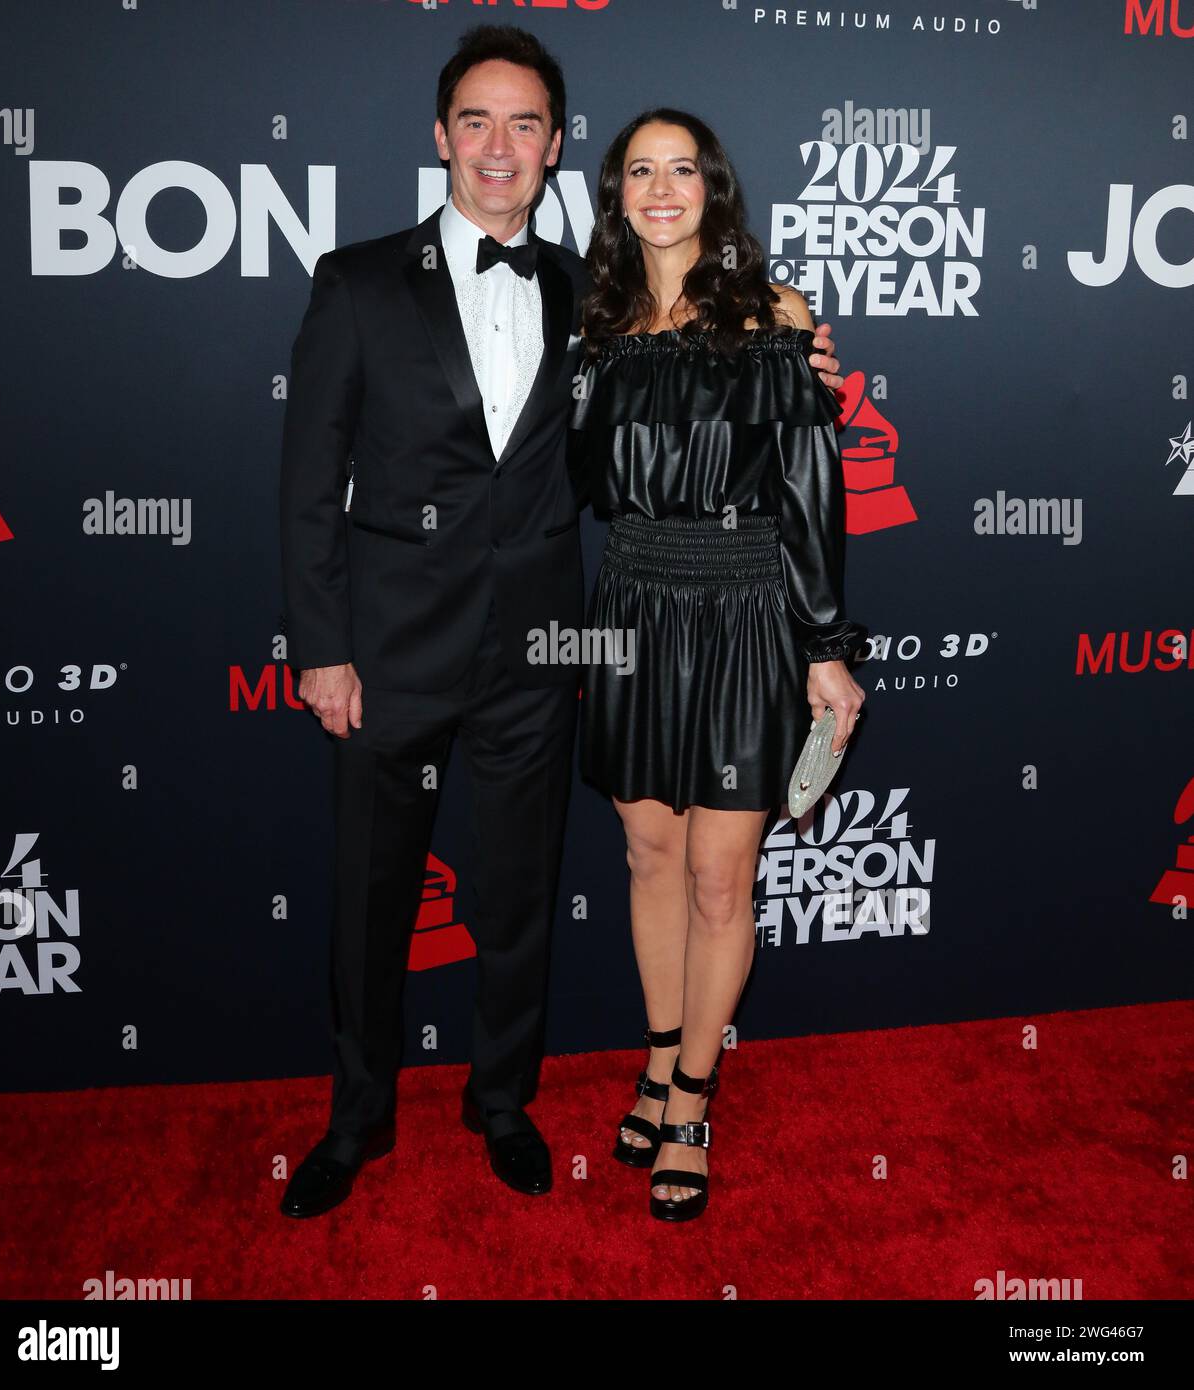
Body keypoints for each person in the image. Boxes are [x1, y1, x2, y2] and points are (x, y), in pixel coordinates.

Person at [277, 26, 846, 1219]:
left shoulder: (569, 294)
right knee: (374, 893)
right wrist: (322, 645)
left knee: (523, 890)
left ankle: (504, 1103)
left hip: (550, 647)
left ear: (551, 147)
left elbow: (760, 453)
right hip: (397, 647)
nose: (499, 145)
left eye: (525, 123)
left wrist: (800, 369)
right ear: (440, 138)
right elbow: (306, 475)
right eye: (476, 122)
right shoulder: (364, 281)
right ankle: (356, 1117)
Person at [567, 109, 868, 1222]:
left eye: (680, 169)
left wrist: (825, 647)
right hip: (632, 601)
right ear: (614, 193)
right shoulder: (594, 321)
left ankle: (691, 1098)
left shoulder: (768, 312)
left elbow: (808, 488)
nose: (659, 188)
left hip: (744, 606)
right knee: (648, 855)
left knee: (715, 874)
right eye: (637, 170)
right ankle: (654, 1056)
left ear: (713, 189)